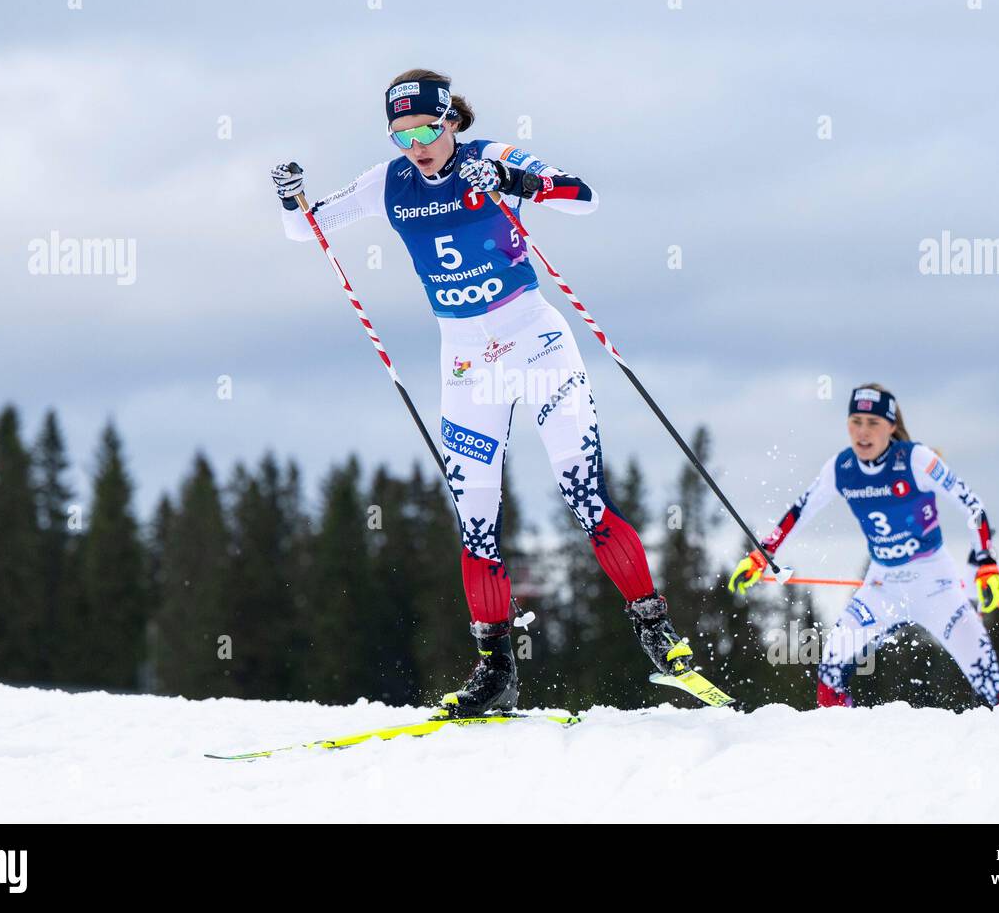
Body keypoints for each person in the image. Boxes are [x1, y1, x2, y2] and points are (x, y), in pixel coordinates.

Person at [272, 68, 694, 716]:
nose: (416, 143)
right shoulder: (388, 182)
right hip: (467, 360)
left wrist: (514, 182)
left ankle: (655, 631)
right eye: (401, 133)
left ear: (452, 122)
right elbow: (310, 229)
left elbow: (583, 196)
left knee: (584, 497)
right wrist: (292, 198)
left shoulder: (490, 156)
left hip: (536, 341)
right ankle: (495, 669)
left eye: (426, 128)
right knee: (475, 522)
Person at [730, 383, 999, 708]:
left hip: (936, 586)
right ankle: (837, 745)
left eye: (873, 423)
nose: (863, 432)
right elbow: (800, 511)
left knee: (989, 682)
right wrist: (762, 555)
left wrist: (986, 562)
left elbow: (971, 505)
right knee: (831, 668)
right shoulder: (841, 469)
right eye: (855, 422)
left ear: (891, 426)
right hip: (882, 587)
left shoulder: (917, 459)